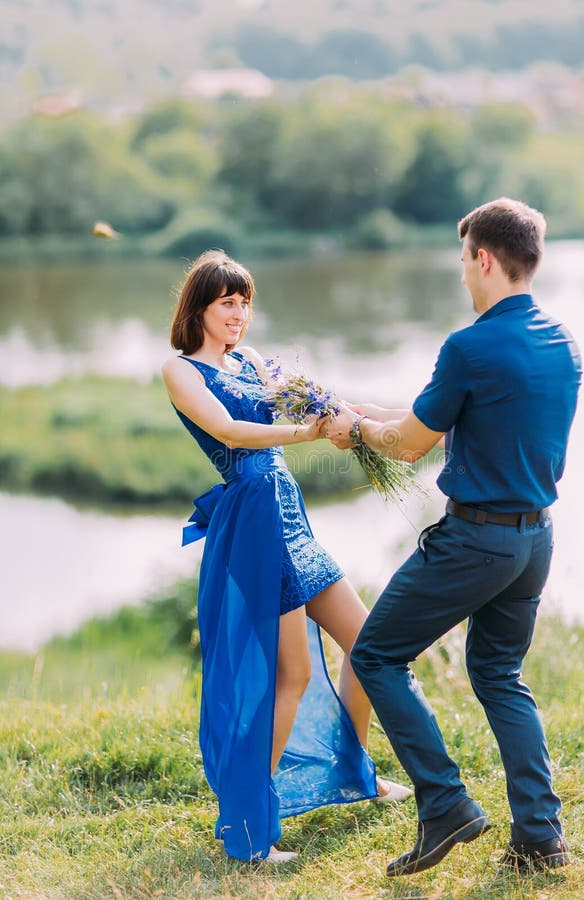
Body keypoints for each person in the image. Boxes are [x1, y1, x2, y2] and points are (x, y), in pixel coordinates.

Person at [324, 197, 582, 877]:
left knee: (376, 654)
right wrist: (361, 414)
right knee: (498, 673)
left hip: (475, 541)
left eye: (463, 262)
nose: (462, 277)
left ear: (485, 258)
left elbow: (408, 446)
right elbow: (440, 421)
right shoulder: (561, 340)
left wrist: (352, 433)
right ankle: (539, 835)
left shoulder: (469, 345)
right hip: (532, 542)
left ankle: (444, 804)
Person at [161, 250, 411, 865]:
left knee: (371, 643)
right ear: (199, 307)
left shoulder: (250, 360)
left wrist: (390, 417)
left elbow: (322, 398)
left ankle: (350, 773)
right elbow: (230, 432)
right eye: (227, 303)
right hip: (253, 522)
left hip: (290, 514)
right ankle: (246, 828)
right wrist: (309, 433)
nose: (240, 314)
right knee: (292, 675)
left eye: (245, 302)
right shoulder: (181, 371)